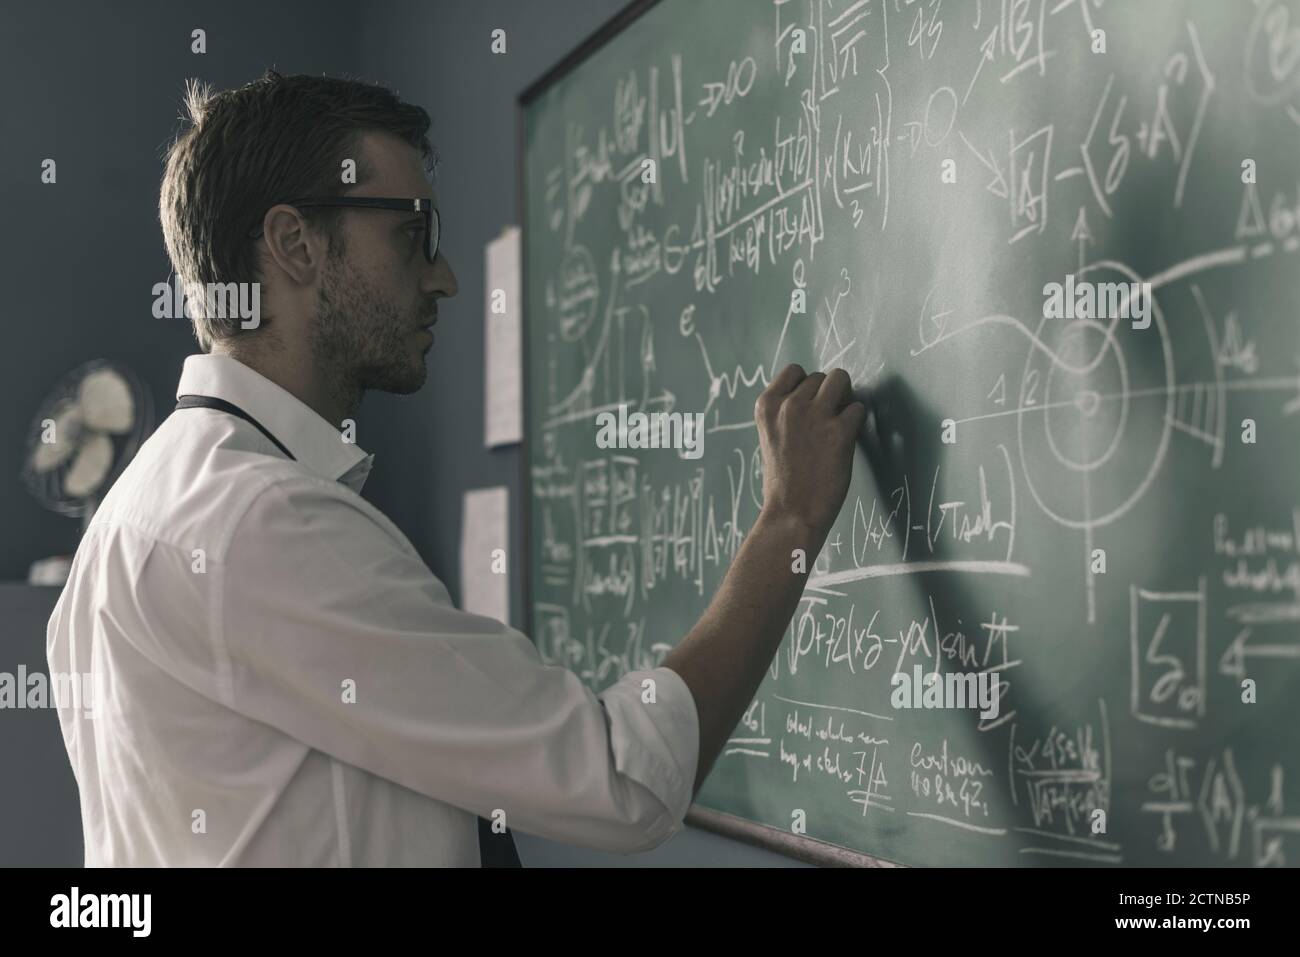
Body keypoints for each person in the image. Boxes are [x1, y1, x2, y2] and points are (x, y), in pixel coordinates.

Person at [46, 71, 866, 866]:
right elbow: (621, 777)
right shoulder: (264, 521)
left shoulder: (127, 523)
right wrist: (787, 524)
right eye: (413, 234)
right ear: (294, 243)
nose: (445, 277)